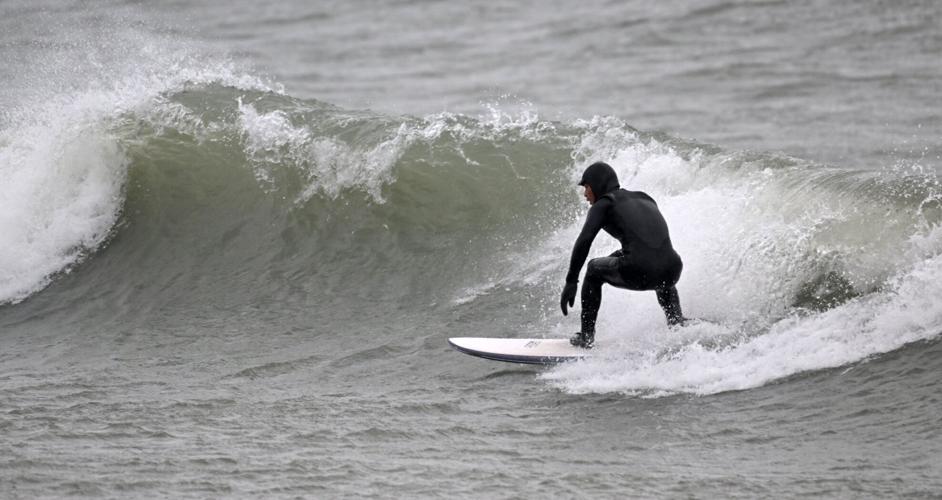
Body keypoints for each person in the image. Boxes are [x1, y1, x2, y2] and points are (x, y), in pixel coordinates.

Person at [561, 161, 685, 348]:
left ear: (596, 184)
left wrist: (571, 281)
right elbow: (651, 246)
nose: (585, 194)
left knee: (594, 269)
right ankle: (677, 323)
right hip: (673, 269)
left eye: (586, 187)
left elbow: (584, 241)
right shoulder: (645, 198)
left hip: (642, 270)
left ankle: (586, 336)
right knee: (655, 262)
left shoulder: (604, 204)